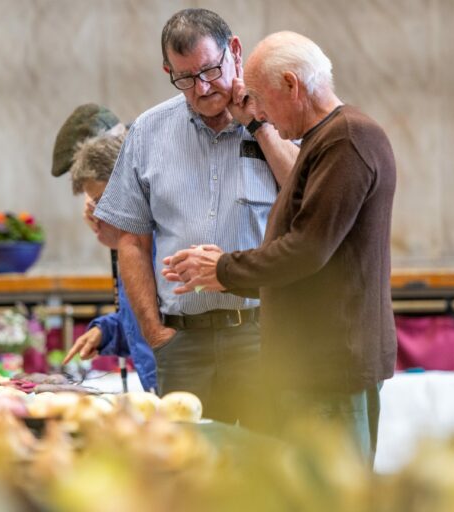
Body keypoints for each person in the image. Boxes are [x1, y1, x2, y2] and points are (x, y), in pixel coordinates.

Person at [163, 31, 397, 463]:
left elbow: (307, 250)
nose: (258, 112)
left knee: (325, 495)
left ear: (292, 85)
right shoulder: (328, 139)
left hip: (330, 367)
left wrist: (224, 270)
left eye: (260, 99)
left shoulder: (345, 140)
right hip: (312, 363)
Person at [93, 9, 298, 422]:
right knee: (186, 471)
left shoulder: (276, 117)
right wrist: (155, 334)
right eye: (185, 78)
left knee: (261, 465)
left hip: (261, 336)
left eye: (209, 70)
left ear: (234, 51)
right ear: (168, 71)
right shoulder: (149, 132)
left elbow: (305, 193)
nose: (202, 87)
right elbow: (130, 240)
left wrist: (258, 124)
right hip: (182, 343)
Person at [50, 103, 156, 392]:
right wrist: (106, 330)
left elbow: (164, 321)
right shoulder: (129, 234)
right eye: (93, 202)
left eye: (100, 199)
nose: (95, 211)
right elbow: (139, 318)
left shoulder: (158, 233)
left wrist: (119, 238)